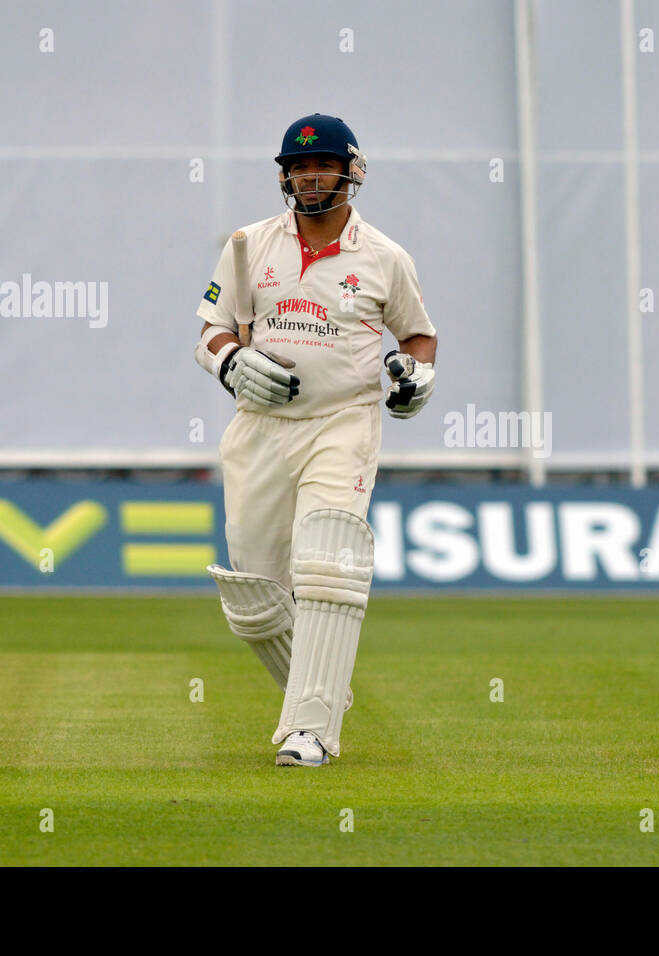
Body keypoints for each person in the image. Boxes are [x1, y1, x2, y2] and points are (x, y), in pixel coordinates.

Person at [193, 113, 438, 767]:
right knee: (253, 599)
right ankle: (322, 692)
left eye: (322, 164)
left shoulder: (384, 258)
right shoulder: (247, 245)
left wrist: (416, 375)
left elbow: (417, 336)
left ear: (351, 171)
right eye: (298, 166)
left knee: (327, 561)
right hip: (260, 430)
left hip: (343, 422)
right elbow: (211, 329)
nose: (309, 176)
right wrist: (229, 363)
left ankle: (310, 731)